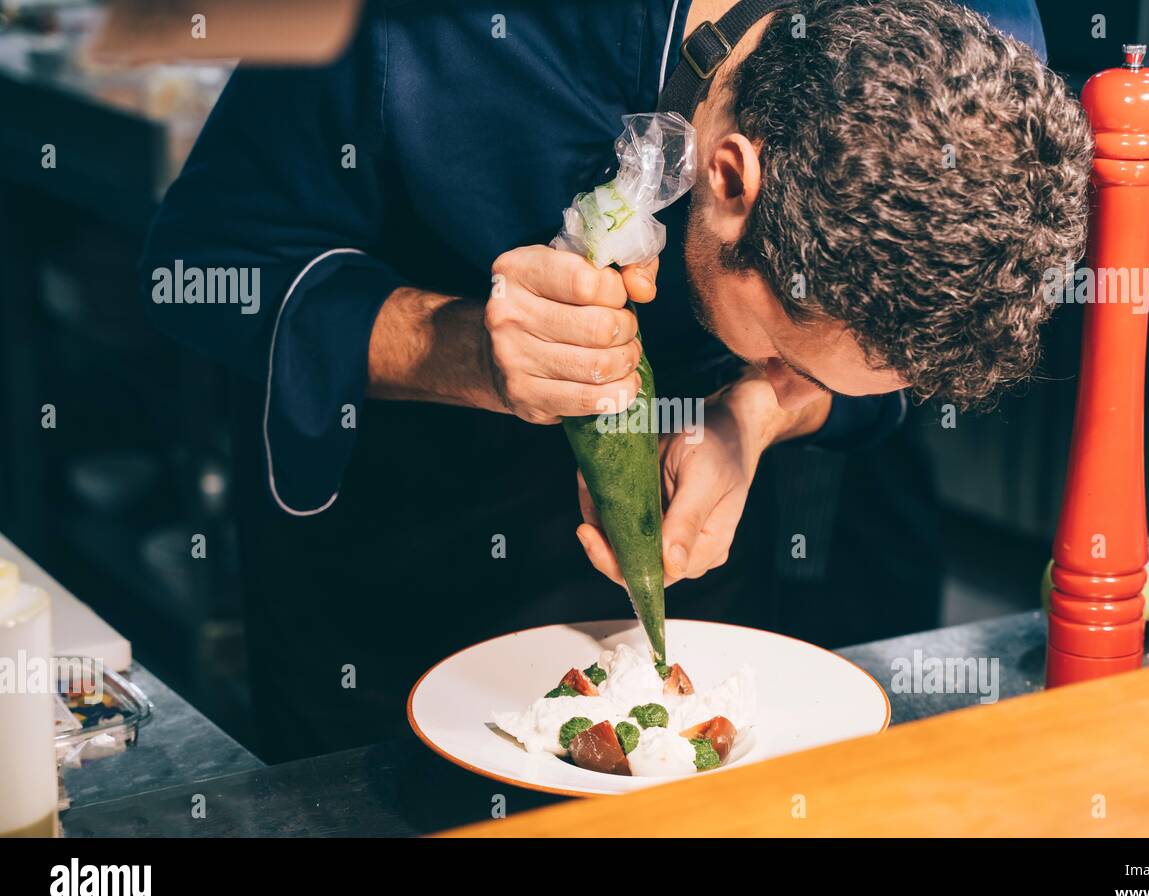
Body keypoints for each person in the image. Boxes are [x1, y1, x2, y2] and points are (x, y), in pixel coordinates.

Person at [141, 0, 1091, 761]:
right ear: (729, 178)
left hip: (700, 547)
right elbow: (199, 269)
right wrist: (465, 349)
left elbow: (880, 370)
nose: (804, 381)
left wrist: (755, 413)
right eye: (793, 356)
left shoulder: (977, 50)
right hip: (406, 551)